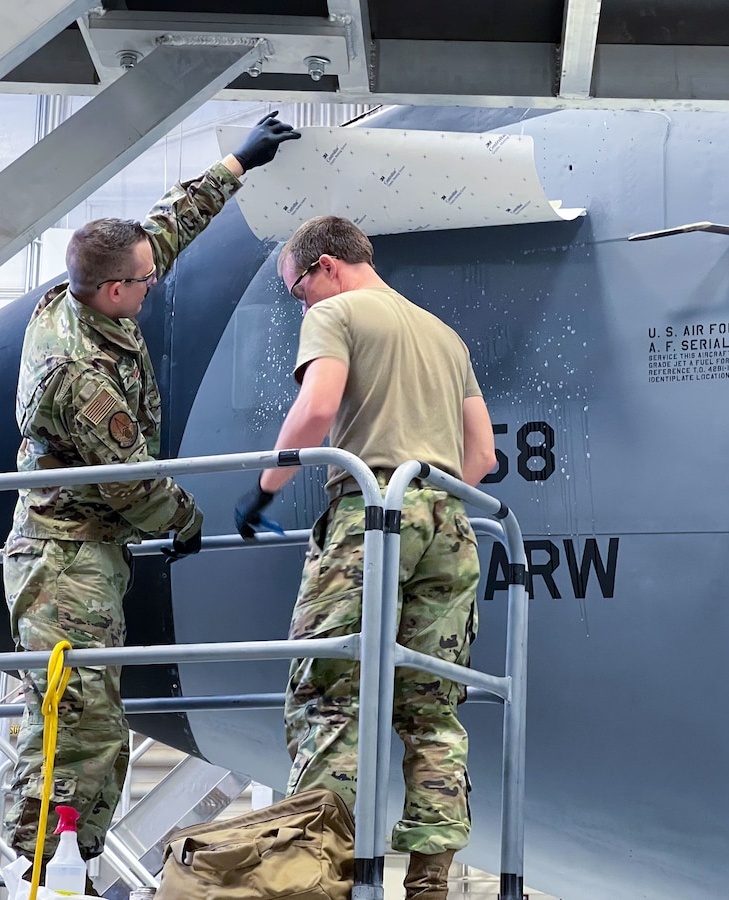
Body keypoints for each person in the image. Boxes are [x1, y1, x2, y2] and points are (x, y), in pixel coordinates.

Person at [2, 112, 300, 866]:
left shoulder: (89, 289)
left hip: (88, 553)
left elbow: (162, 230)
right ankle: (42, 864)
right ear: (108, 291)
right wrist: (190, 519)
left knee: (91, 715)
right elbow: (133, 485)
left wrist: (237, 165)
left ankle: (74, 860)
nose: (154, 281)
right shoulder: (79, 379)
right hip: (62, 561)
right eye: (141, 281)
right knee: (75, 721)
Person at [234, 216, 497, 900]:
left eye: (299, 290)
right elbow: (483, 459)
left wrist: (264, 489)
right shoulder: (445, 336)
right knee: (432, 708)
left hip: (373, 515)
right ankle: (432, 882)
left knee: (327, 694)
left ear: (324, 266)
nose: (304, 303)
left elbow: (317, 408)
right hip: (448, 521)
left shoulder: (339, 313)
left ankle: (319, 877)